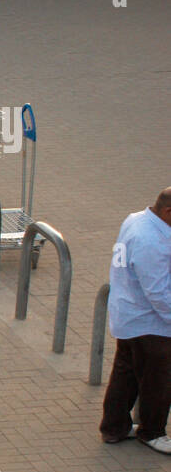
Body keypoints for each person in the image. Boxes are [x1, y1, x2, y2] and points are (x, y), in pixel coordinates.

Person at [100, 187, 171, 454]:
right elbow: (158, 293)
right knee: (157, 380)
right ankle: (152, 432)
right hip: (150, 323)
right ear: (168, 212)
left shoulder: (136, 219)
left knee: (126, 373)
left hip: (129, 314)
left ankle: (114, 427)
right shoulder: (151, 241)